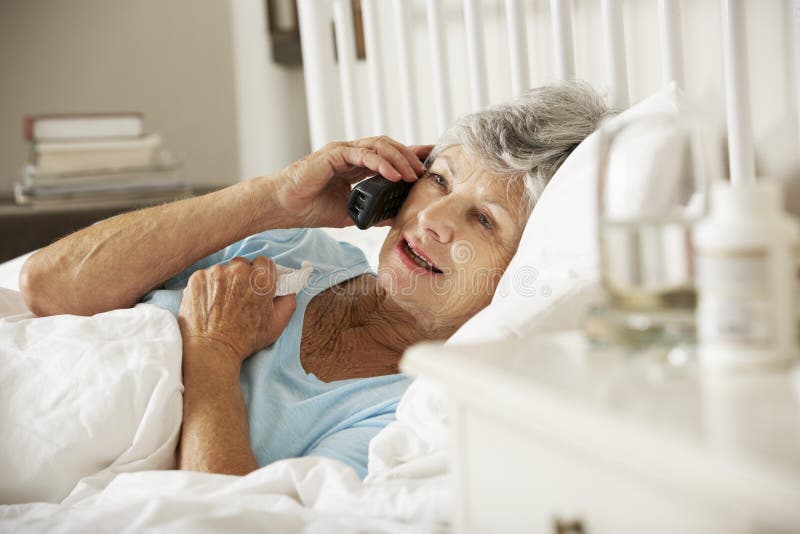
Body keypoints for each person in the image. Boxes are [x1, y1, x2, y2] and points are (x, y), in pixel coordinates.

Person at [19, 81, 609, 479]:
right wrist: (271, 198)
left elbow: (220, 516)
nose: (432, 222)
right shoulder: (295, 246)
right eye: (440, 181)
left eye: (483, 220)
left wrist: (213, 353)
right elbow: (47, 285)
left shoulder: (406, 416)